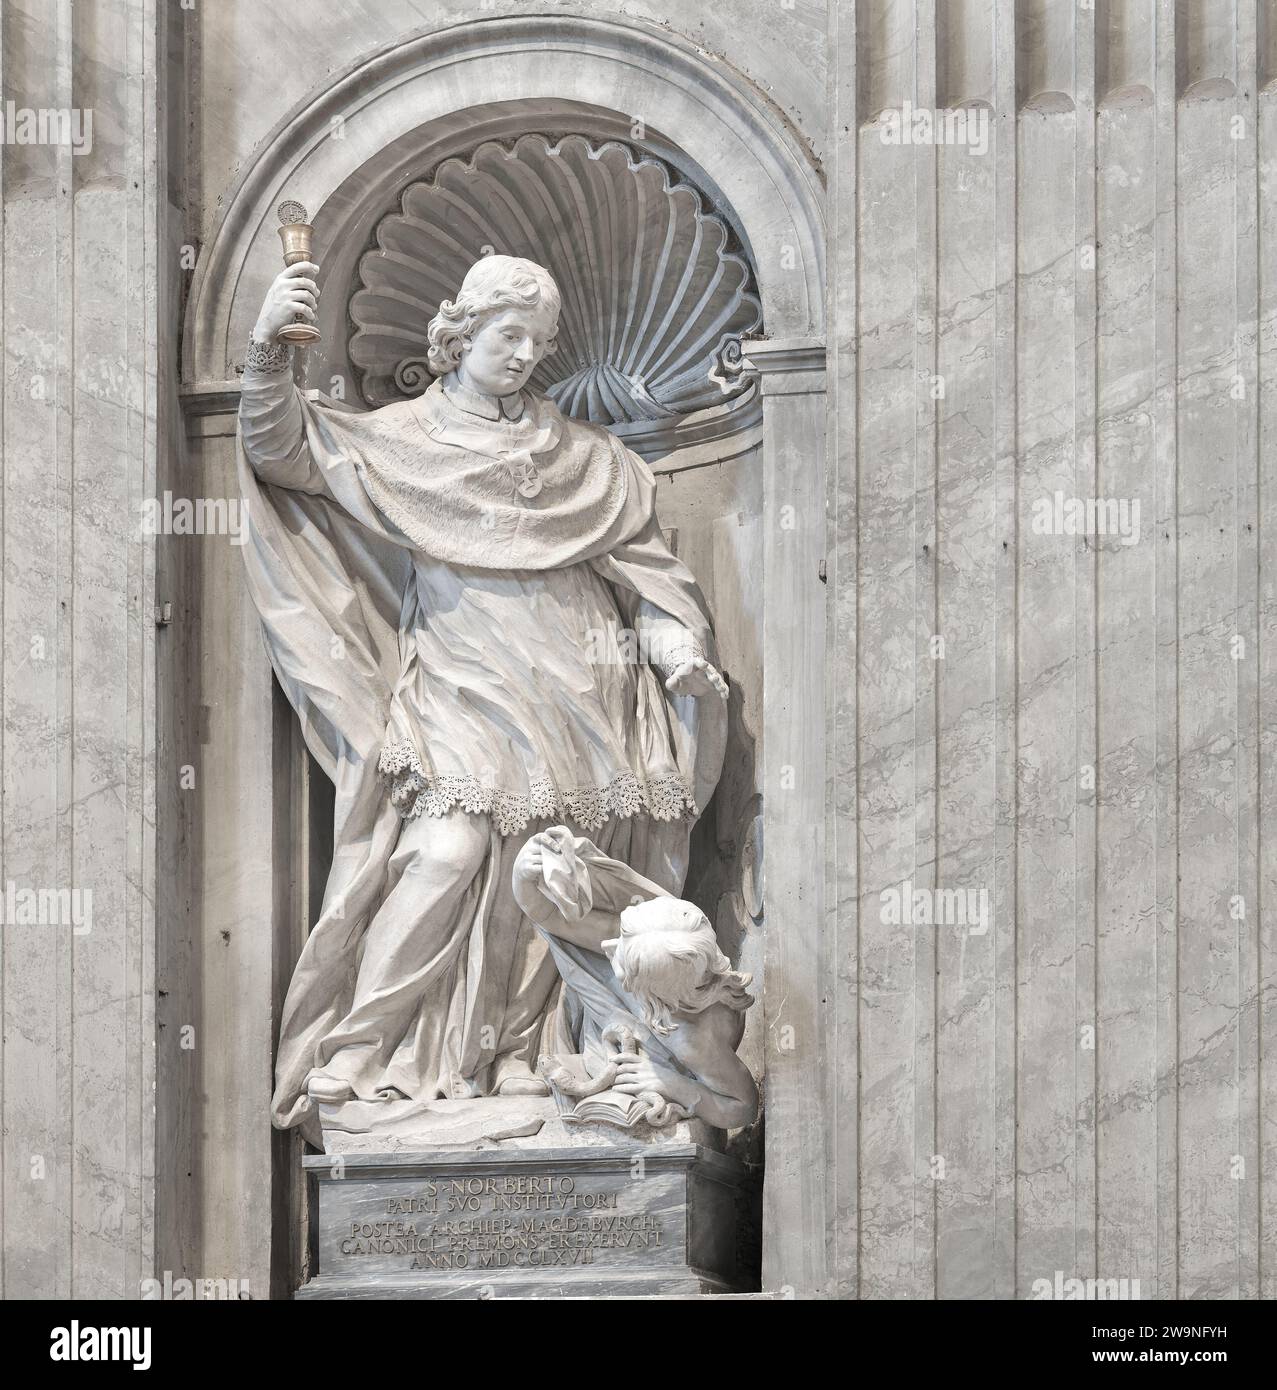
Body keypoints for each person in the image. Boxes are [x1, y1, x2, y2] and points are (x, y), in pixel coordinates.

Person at [236, 253, 727, 1141]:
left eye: (540, 343)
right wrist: (271, 349)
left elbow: (643, 581)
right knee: (444, 857)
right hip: (459, 694)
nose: (525, 356)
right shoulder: (400, 442)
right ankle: (359, 1051)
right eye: (509, 335)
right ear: (459, 330)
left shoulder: (585, 460)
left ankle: (514, 1058)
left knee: (551, 887)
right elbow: (280, 449)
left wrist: (678, 650)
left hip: (581, 702)